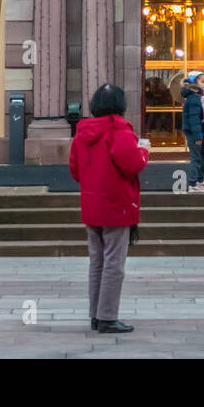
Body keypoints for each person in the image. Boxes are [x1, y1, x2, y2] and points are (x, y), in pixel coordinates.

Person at [68, 83, 151, 334]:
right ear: (120, 105)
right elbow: (132, 164)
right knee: (115, 263)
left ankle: (96, 314)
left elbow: (75, 169)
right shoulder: (119, 129)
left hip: (92, 204)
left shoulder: (82, 131)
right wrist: (144, 152)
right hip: (116, 205)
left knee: (97, 262)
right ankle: (107, 317)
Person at [181, 70, 204, 192]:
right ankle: (192, 183)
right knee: (196, 157)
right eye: (202, 82)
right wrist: (198, 137)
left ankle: (200, 180)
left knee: (202, 156)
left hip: (200, 133)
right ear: (194, 83)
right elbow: (194, 119)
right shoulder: (194, 98)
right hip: (195, 134)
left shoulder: (202, 97)